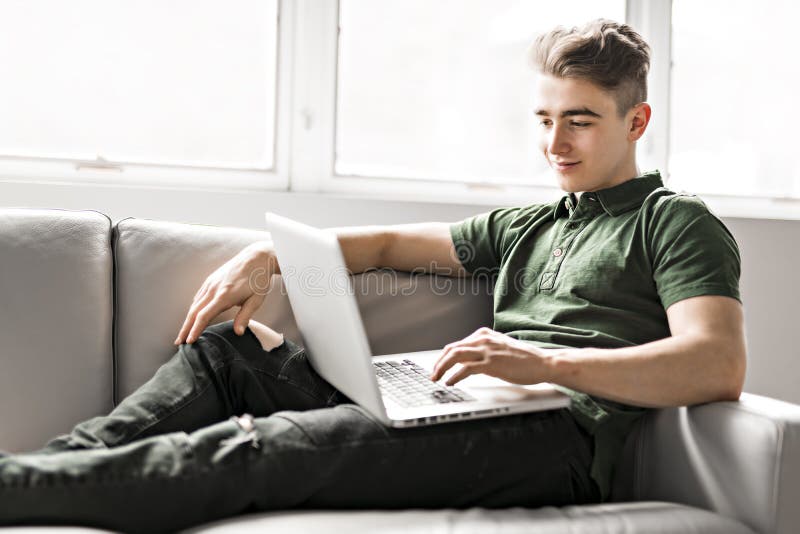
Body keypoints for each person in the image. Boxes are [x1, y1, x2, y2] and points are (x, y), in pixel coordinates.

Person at [0, 18, 745, 533]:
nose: (555, 141)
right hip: (466, 405)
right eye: (544, 118)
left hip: (552, 438)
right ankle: (37, 477)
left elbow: (716, 363)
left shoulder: (674, 222)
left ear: (636, 122)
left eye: (579, 120)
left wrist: (541, 362)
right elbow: (388, 243)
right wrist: (267, 256)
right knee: (227, 352)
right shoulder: (535, 223)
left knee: (260, 449)